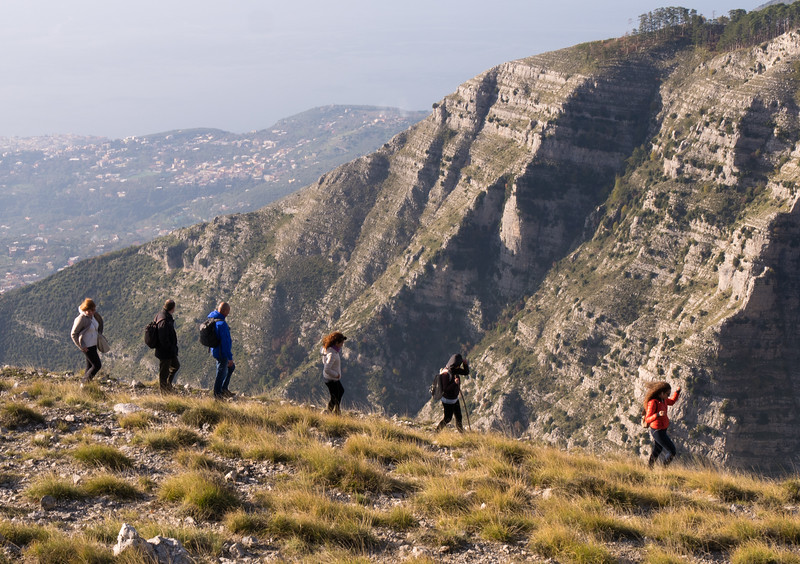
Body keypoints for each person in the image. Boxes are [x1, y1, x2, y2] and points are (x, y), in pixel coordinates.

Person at [643, 381, 682, 468]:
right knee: (672, 450)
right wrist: (657, 415)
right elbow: (647, 419)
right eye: (667, 394)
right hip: (657, 431)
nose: (668, 396)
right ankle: (664, 469)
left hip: (662, 430)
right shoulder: (653, 402)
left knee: (657, 449)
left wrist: (677, 392)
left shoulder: (663, 400)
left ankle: (649, 468)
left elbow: (672, 402)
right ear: (661, 393)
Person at [70, 298, 105, 383]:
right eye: (89, 311)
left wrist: (99, 334)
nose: (91, 312)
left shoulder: (94, 316)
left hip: (94, 344)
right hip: (87, 346)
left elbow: (99, 323)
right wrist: (81, 346)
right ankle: (84, 383)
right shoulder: (81, 318)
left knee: (89, 366)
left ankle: (86, 385)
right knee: (97, 365)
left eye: (93, 310)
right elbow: (73, 334)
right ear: (85, 309)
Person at [208, 302, 234, 400]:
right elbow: (225, 343)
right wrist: (229, 357)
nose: (228, 313)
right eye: (228, 311)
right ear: (224, 311)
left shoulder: (213, 319)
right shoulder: (222, 324)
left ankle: (223, 389)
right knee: (221, 374)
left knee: (230, 368)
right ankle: (217, 395)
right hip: (221, 352)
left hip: (215, 350)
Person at [436, 354, 470, 432]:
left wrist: (465, 364)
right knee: (448, 418)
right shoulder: (445, 374)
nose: (459, 367)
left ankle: (461, 433)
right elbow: (445, 389)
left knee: (459, 417)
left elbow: (466, 372)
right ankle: (437, 431)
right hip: (447, 400)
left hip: (454, 399)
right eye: (458, 365)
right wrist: (454, 383)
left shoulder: (454, 370)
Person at [154, 299, 180, 393]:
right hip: (165, 352)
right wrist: (169, 348)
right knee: (164, 373)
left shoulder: (164, 316)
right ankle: (164, 393)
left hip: (169, 351)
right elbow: (163, 338)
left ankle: (168, 385)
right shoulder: (164, 319)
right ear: (172, 308)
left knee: (176, 365)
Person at [321, 331, 346, 414]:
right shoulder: (332, 354)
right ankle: (330, 412)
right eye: (341, 343)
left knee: (340, 391)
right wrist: (336, 375)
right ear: (336, 343)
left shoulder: (329, 349)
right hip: (331, 379)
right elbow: (327, 369)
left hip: (331, 378)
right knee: (334, 396)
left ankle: (337, 410)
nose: (342, 345)